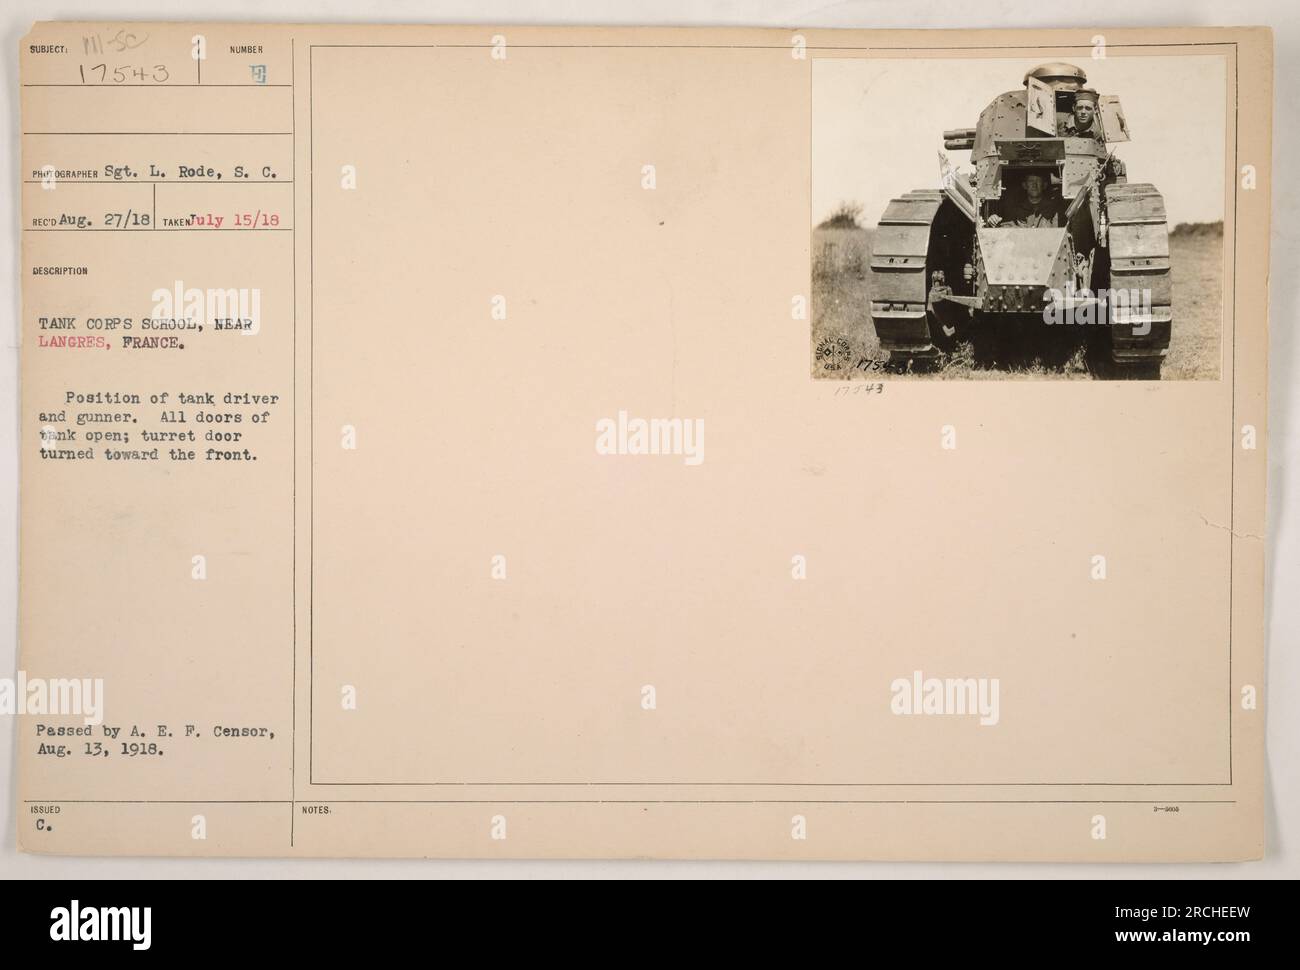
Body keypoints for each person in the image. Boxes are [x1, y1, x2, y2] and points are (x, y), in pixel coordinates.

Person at [987, 172, 1063, 228]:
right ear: (1025, 186)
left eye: (1038, 181)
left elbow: (1059, 232)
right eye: (1031, 181)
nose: (1034, 185)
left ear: (1044, 185)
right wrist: (994, 220)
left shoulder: (1053, 209)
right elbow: (1007, 227)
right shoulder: (1016, 209)